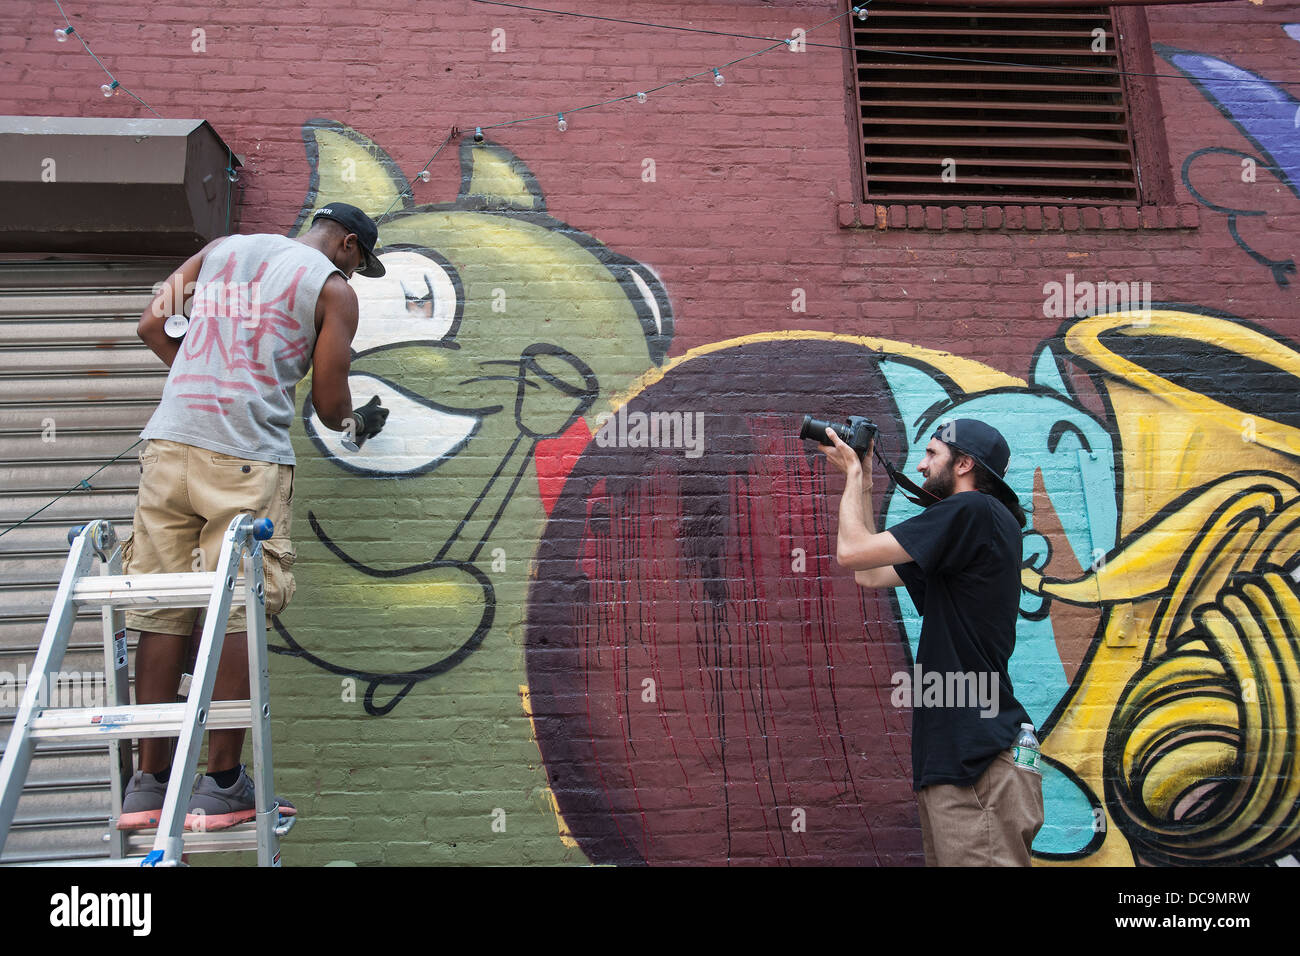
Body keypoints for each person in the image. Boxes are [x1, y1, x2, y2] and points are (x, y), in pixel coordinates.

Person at [117, 202, 390, 831]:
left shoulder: (222, 251)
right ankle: (220, 785)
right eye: (360, 261)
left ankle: (148, 786)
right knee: (238, 605)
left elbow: (151, 326)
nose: (355, 271)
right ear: (347, 245)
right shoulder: (332, 290)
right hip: (243, 459)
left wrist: (203, 380)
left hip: (169, 446)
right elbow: (327, 401)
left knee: (161, 605)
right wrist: (355, 423)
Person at [820, 418, 1042, 866]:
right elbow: (869, 572)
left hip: (976, 764)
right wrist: (859, 480)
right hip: (957, 761)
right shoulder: (971, 531)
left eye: (932, 454)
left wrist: (856, 474)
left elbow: (851, 552)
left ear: (964, 464)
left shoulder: (974, 511)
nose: (920, 466)